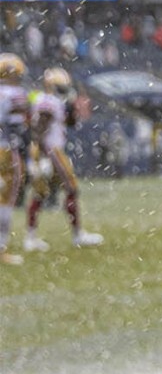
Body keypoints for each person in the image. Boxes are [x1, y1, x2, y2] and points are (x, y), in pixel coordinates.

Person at [20, 67, 103, 250]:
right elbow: (39, 130)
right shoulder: (48, 102)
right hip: (49, 151)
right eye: (62, 87)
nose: (65, 91)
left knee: (41, 194)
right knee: (70, 188)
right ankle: (76, 234)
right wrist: (41, 157)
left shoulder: (52, 101)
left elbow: (68, 123)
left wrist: (72, 107)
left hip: (49, 150)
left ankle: (32, 237)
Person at [0, 52, 30, 265]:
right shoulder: (14, 93)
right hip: (6, 149)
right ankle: (1, 247)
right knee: (6, 199)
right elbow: (20, 124)